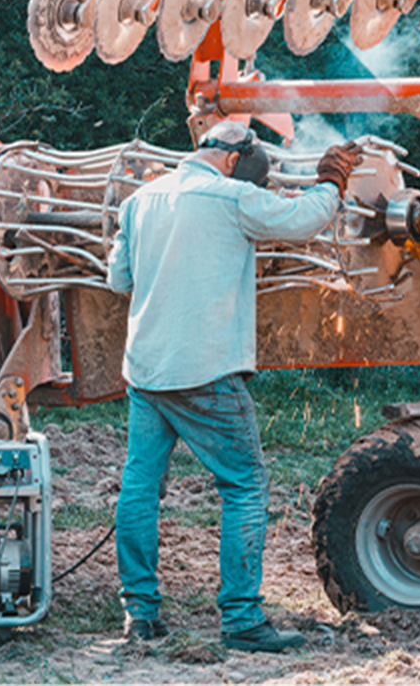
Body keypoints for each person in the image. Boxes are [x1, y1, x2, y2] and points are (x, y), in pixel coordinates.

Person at [106, 120, 360, 653]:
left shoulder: (142, 199)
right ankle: (242, 619)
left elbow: (119, 280)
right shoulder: (230, 197)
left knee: (140, 490)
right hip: (205, 370)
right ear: (233, 158)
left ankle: (141, 615)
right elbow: (304, 219)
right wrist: (332, 183)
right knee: (244, 487)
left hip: (147, 372)